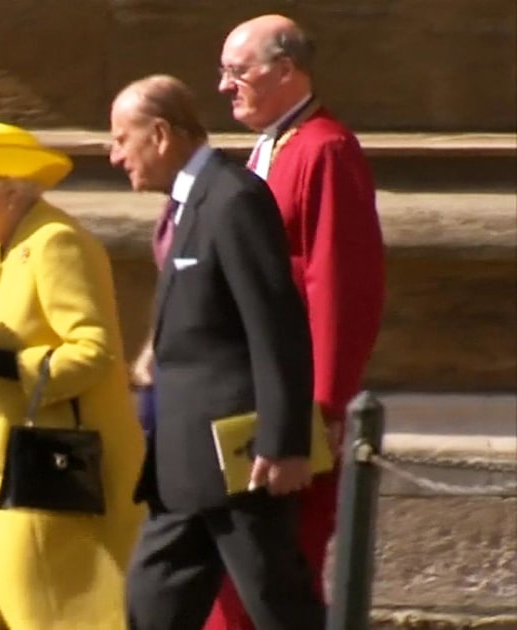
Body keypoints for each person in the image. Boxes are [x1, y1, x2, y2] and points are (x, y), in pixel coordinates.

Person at [0, 122, 147, 629]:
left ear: (7, 186)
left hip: (64, 470)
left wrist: (11, 366)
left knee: (56, 610)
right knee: (11, 599)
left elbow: (95, 352)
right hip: (15, 469)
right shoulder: (7, 248)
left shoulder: (56, 242)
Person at [109, 75, 325, 630]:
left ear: (159, 135)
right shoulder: (188, 205)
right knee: (151, 602)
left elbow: (277, 325)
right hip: (181, 468)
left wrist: (284, 443)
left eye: (120, 139)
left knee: (280, 606)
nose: (115, 157)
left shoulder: (232, 198)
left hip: (241, 463)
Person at [204, 15, 387, 630]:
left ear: (285, 71)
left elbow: (339, 285)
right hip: (250, 389)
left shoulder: (325, 148)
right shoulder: (271, 145)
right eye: (224, 73)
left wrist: (323, 407)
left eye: (238, 72)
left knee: (274, 574)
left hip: (292, 408)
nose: (226, 87)